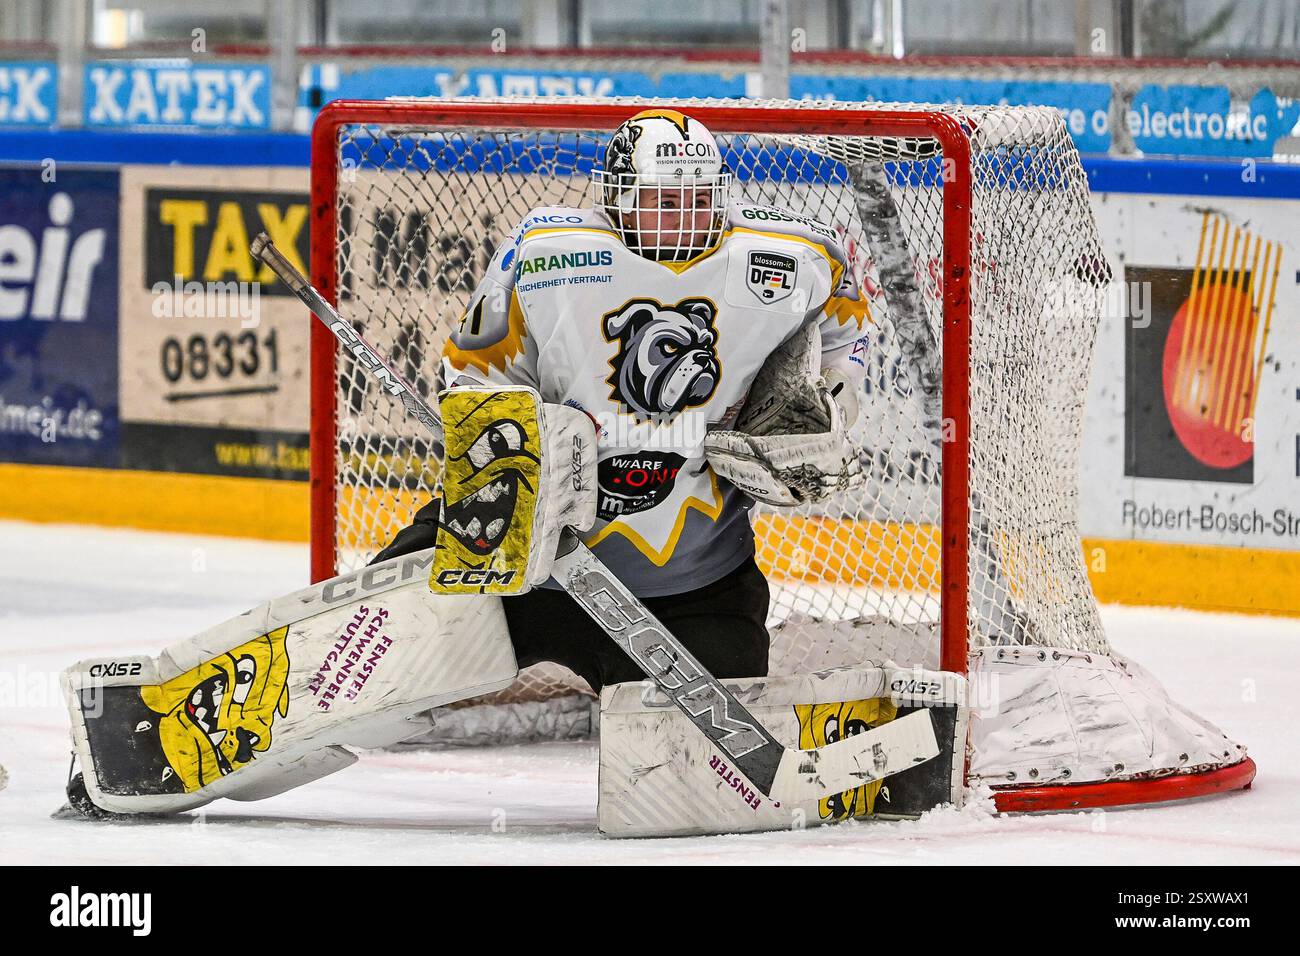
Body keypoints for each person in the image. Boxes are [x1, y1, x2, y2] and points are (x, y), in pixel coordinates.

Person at [375, 108, 873, 696]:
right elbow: (470, 371)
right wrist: (532, 442)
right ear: (617, 200)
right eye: (663, 202)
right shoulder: (547, 256)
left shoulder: (786, 258)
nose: (685, 219)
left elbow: (847, 320)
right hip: (529, 570)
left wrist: (837, 390)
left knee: (712, 749)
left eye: (699, 200)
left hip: (695, 585)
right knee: (379, 629)